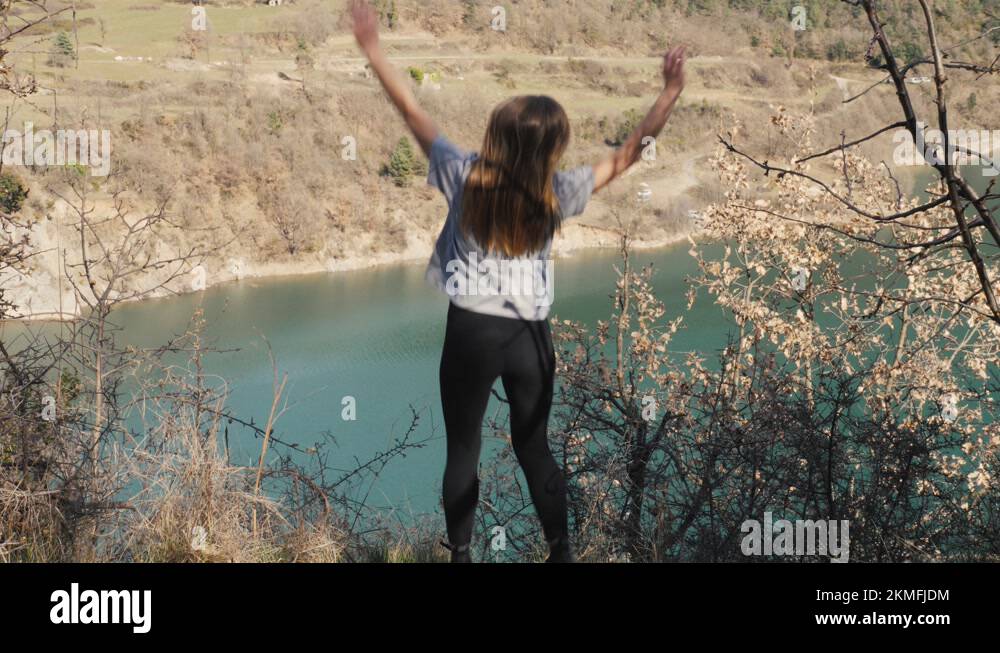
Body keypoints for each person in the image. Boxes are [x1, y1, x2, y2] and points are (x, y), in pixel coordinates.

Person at [350, 0, 686, 562]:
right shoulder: (561, 190)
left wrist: (374, 50)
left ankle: (460, 554)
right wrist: (669, 93)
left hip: (472, 332)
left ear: (495, 136)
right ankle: (560, 551)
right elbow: (630, 154)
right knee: (534, 448)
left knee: (463, 448)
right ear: (552, 149)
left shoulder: (462, 174)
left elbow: (411, 110)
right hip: (531, 338)